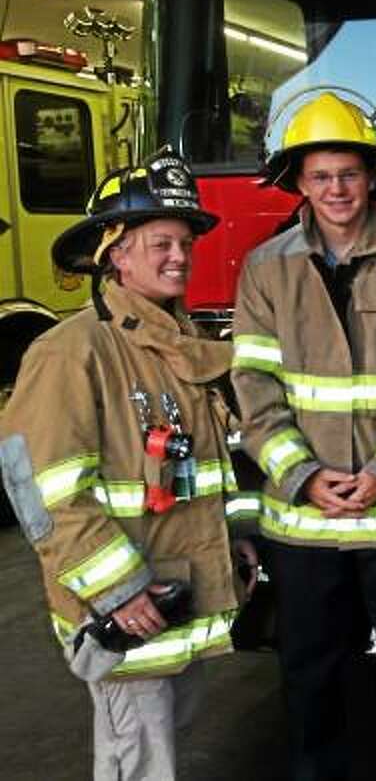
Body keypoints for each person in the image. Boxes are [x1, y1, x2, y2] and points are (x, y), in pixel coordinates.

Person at [0, 150, 257, 781]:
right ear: (115, 253)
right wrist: (118, 590)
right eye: (159, 243)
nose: (179, 256)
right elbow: (42, 490)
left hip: (178, 592)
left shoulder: (180, 345)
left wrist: (236, 540)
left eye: (185, 243)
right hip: (126, 607)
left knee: (160, 749)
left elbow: (202, 474)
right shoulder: (72, 351)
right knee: (139, 763)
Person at [231, 92, 376, 780]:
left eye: (349, 174)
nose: (336, 189)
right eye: (321, 176)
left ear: (373, 178)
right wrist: (303, 477)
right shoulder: (266, 269)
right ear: (299, 182)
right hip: (305, 522)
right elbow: (255, 390)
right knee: (310, 673)